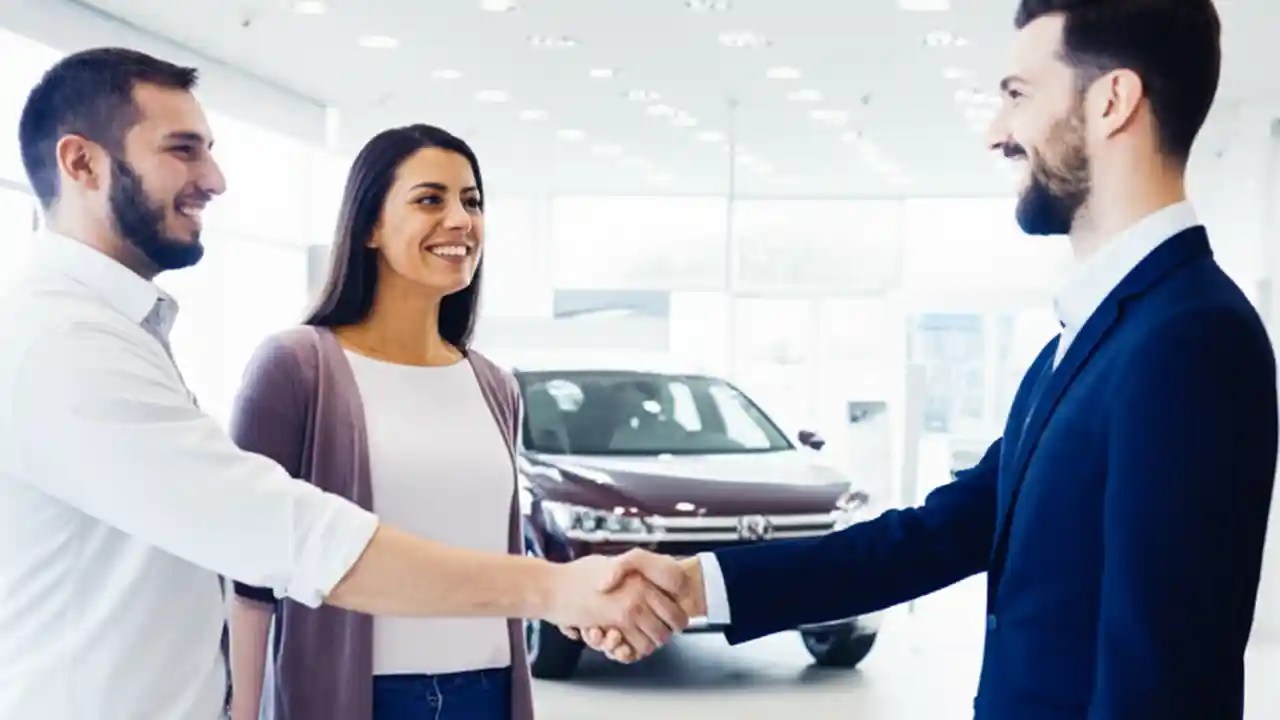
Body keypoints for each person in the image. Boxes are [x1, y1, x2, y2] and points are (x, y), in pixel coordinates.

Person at [577, 1, 1279, 717]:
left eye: (1016, 95)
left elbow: (1164, 680)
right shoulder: (1091, 337)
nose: (995, 132)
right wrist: (698, 584)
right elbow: (939, 534)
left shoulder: (1190, 339)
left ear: (1112, 102)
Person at [0, 48, 687, 720]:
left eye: (471, 201)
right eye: (183, 150)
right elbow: (281, 538)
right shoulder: (64, 343)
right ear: (81, 162)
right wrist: (558, 589)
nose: (215, 178)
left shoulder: (117, 330)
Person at [227, 124, 533, 720]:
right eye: (430, 199)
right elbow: (249, 576)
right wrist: (242, 711)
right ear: (369, 225)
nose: (460, 220)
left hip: (487, 691)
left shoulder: (496, 385)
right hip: (360, 698)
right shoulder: (296, 366)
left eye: (472, 201)